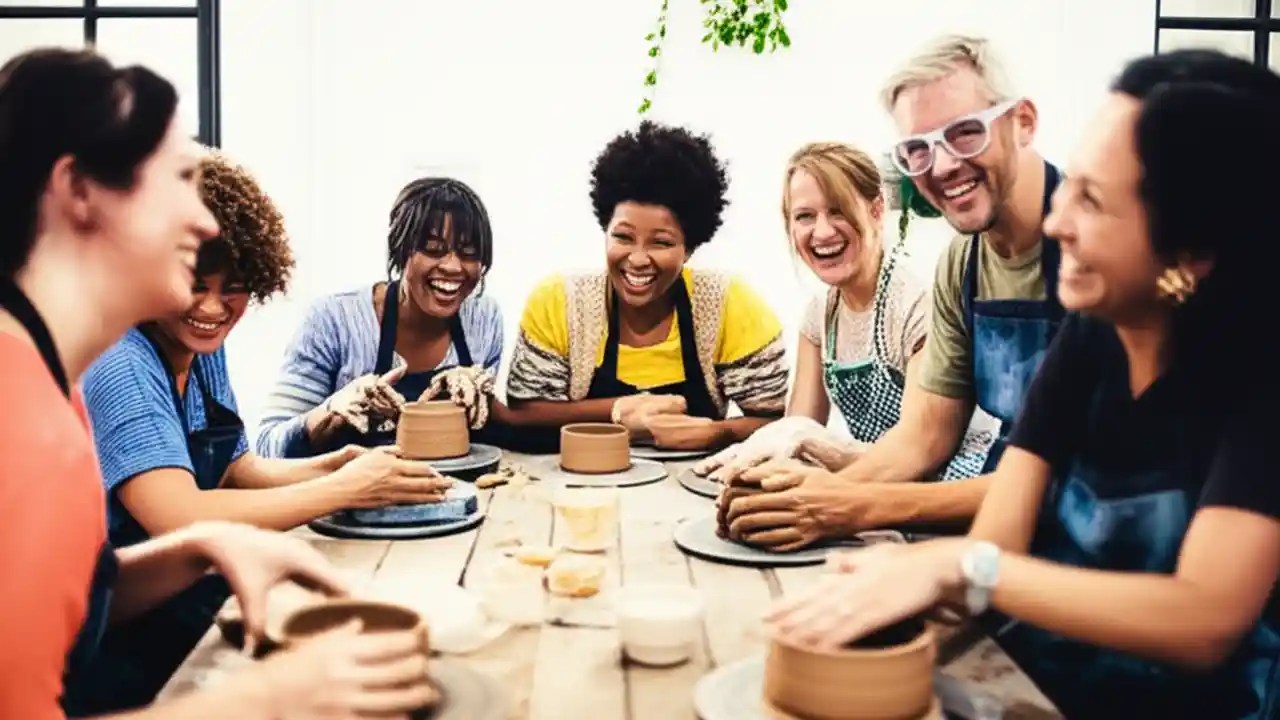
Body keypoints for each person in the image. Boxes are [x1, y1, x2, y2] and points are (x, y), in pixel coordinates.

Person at [767, 50, 1280, 720]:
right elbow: (997, 540)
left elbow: (1204, 619)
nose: (1058, 221)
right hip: (1042, 683)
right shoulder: (1091, 336)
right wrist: (881, 568)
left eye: (1091, 199)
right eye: (1070, 190)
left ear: (1191, 250)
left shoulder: (1260, 373)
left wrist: (956, 567)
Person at [0, 48, 432, 720]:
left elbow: (65, 608)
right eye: (177, 179)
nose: (203, 220)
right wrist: (261, 701)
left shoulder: (46, 379)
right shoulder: (23, 424)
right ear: (79, 193)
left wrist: (201, 546)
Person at [69, 149, 451, 711]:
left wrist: (334, 463)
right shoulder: (122, 359)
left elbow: (238, 469)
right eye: (195, 283)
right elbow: (176, 514)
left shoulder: (199, 350)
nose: (213, 307)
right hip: (123, 643)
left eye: (235, 287)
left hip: (192, 600)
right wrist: (348, 490)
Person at [723, 34, 1056, 546]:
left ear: (1023, 122)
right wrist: (802, 500)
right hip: (1002, 535)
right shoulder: (961, 265)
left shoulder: (1097, 245)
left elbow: (1078, 482)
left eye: (966, 133)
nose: (942, 166)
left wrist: (847, 500)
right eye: (918, 150)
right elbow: (924, 434)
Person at [697, 142, 992, 497]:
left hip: (950, 487)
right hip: (871, 484)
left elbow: (918, 455)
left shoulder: (917, 307)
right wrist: (753, 451)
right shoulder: (820, 315)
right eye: (805, 216)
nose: (822, 233)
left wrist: (809, 440)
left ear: (877, 209)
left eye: (837, 211)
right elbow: (796, 427)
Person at [499, 120, 788, 450]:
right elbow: (524, 414)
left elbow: (774, 422)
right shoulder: (559, 302)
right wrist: (617, 411)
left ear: (689, 249)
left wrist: (718, 433)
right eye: (622, 237)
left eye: (661, 243)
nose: (637, 259)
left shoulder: (729, 304)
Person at [256, 176, 505, 458]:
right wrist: (331, 412)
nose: (452, 266)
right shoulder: (335, 320)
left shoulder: (484, 320)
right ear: (400, 250)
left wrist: (480, 397)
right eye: (433, 250)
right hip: (352, 495)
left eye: (469, 253)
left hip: (454, 492)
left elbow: (487, 434)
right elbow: (267, 446)